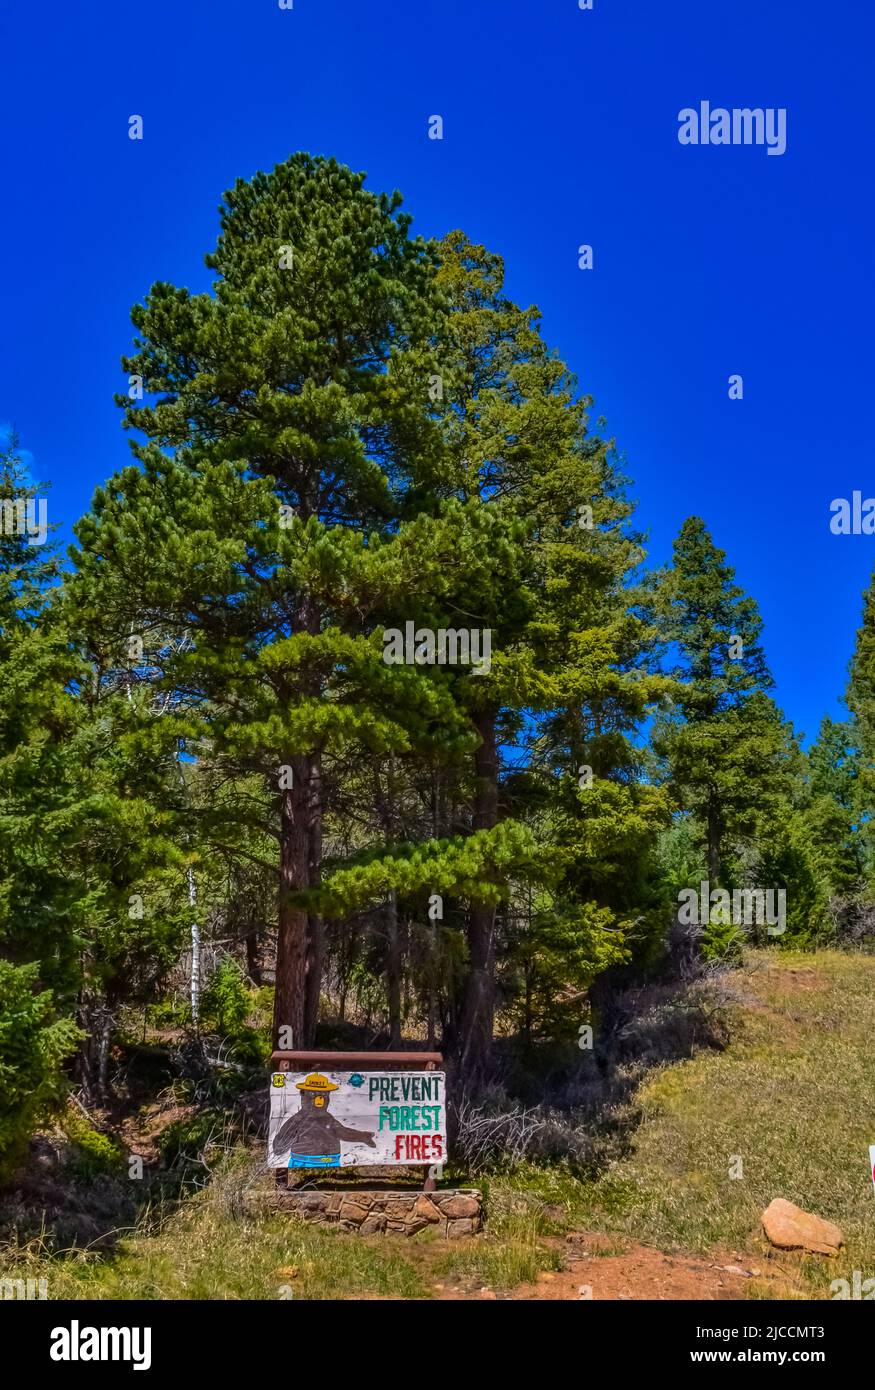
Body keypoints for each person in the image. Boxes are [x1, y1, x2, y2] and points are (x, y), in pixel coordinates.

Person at [272, 1072, 376, 1168]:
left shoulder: (328, 1119)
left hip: (330, 1161)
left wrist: (362, 1136)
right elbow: (281, 1142)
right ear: (303, 1094)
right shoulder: (298, 1120)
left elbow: (342, 1132)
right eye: (313, 1094)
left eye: (324, 1095)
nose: (319, 1099)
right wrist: (279, 1145)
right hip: (303, 1161)